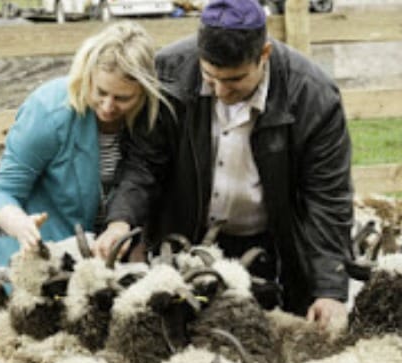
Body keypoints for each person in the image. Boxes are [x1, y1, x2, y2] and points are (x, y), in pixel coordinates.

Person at [94, 0, 354, 328]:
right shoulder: (169, 72)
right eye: (209, 76)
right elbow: (144, 161)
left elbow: (327, 197)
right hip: (187, 237)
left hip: (269, 241)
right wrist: (121, 220)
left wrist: (329, 289)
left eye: (234, 80)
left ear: (264, 55)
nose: (219, 91)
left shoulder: (313, 95)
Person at [0, 21, 167, 272]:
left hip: (110, 256)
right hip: (45, 256)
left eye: (122, 98)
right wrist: (21, 225)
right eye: (100, 92)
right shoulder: (48, 110)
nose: (107, 106)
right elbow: (1, 192)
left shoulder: (153, 120)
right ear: (88, 74)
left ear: (144, 92)